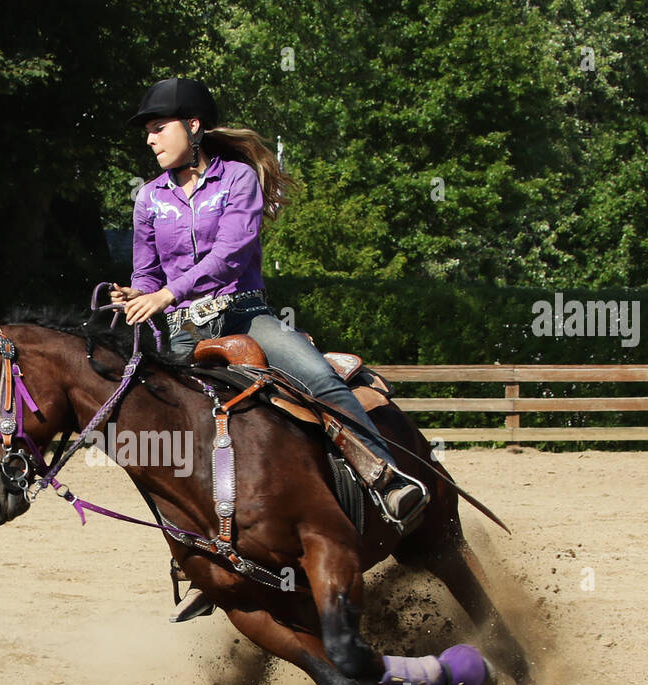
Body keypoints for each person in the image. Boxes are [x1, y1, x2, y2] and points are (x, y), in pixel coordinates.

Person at [111, 77, 429, 622]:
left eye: (157, 127)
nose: (149, 140)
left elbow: (233, 253)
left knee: (318, 377)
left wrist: (166, 292)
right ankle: (200, 556)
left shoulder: (236, 180)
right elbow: (145, 272)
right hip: (183, 332)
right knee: (160, 438)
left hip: (246, 318)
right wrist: (136, 297)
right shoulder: (148, 198)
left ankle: (386, 476)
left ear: (193, 125)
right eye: (146, 131)